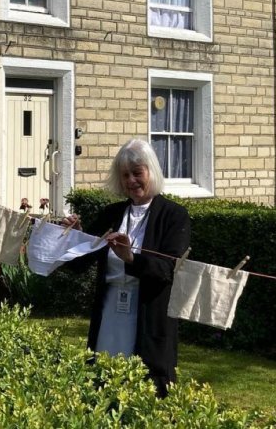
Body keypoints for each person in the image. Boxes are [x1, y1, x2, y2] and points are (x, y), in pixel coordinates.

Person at [65, 138, 190, 397]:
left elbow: (169, 270)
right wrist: (75, 236)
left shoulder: (174, 215)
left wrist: (131, 258)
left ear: (151, 172)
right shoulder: (112, 214)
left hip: (148, 311)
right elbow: (80, 262)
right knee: (104, 377)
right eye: (125, 175)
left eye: (137, 173)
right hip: (111, 309)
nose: (131, 181)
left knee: (146, 384)